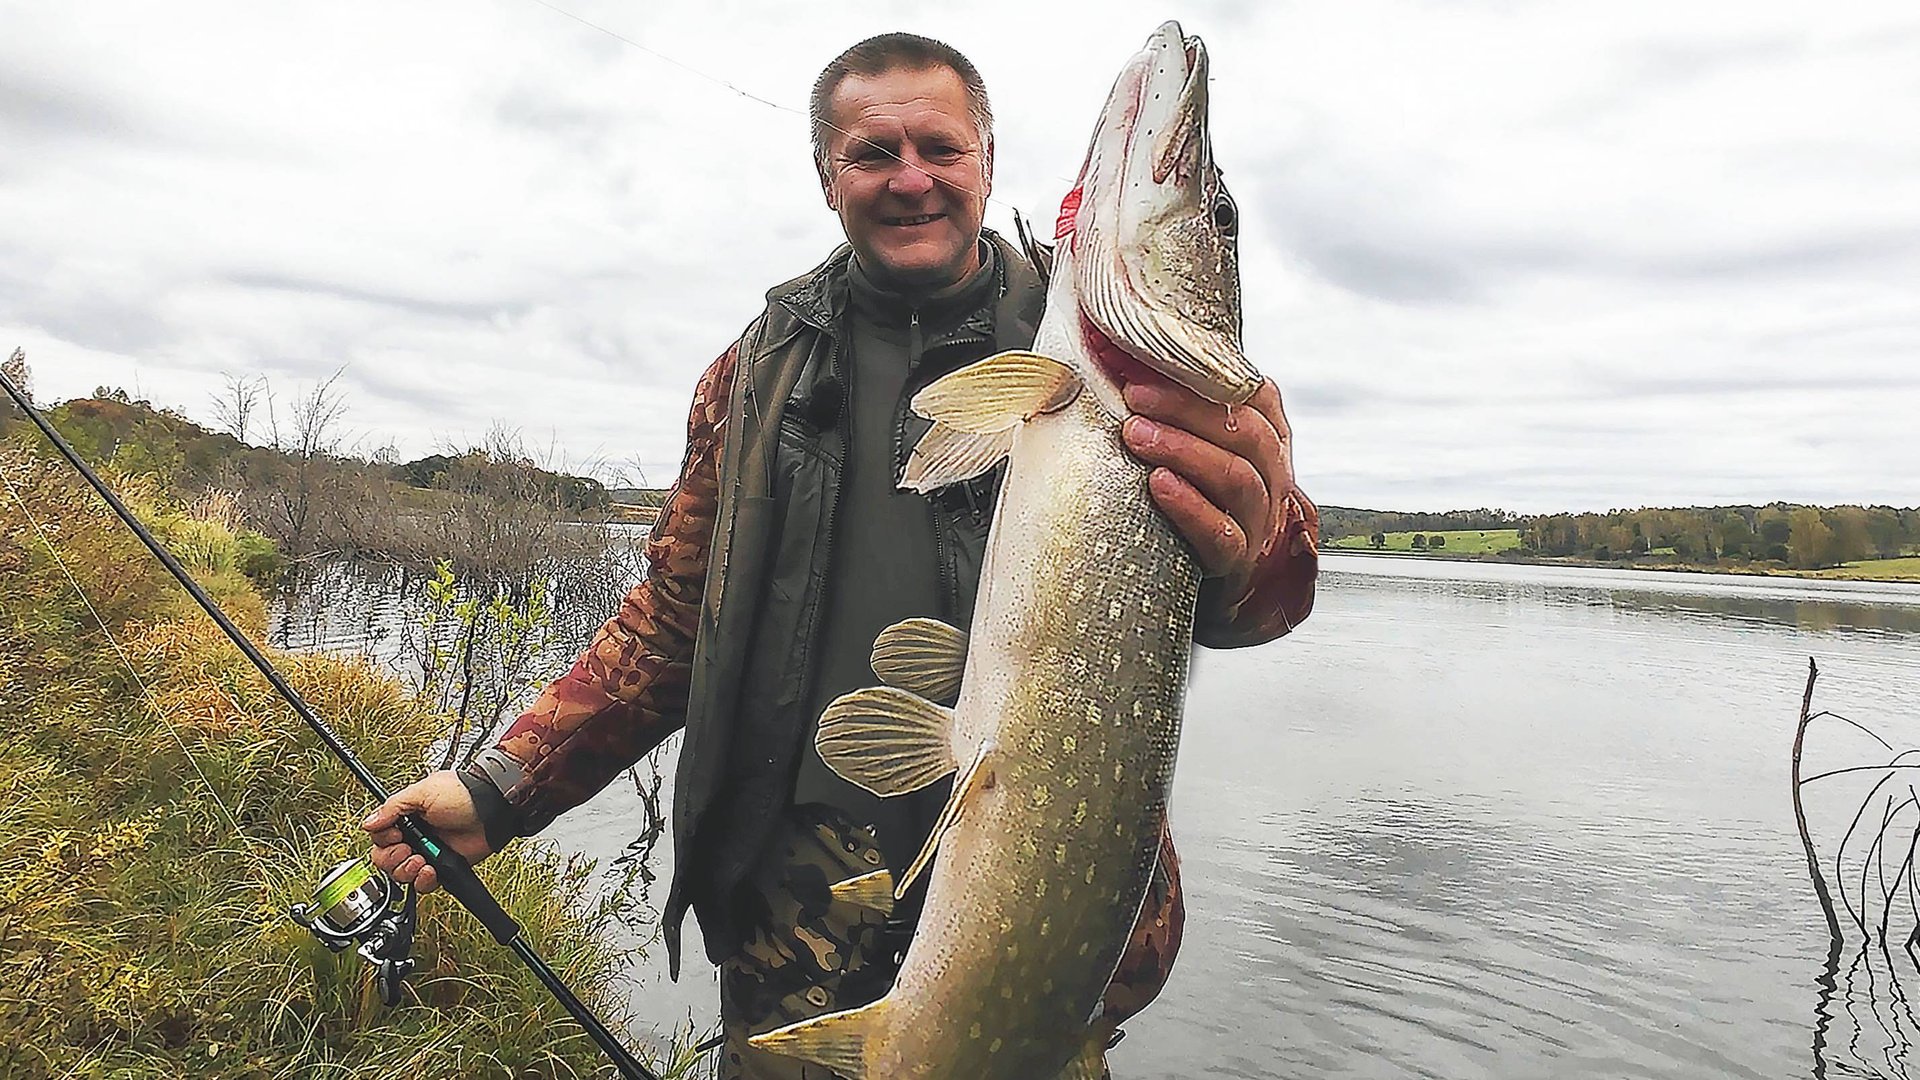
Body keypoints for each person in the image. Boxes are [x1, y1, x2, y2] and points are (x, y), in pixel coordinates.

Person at [363, 31, 1319, 1079]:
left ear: (988, 162)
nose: (912, 179)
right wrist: (501, 789)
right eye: (874, 154)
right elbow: (672, 625)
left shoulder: (1138, 371)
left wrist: (1262, 545)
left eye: (941, 149)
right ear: (828, 177)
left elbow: (1258, 596)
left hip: (1048, 931)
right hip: (795, 920)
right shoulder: (751, 377)